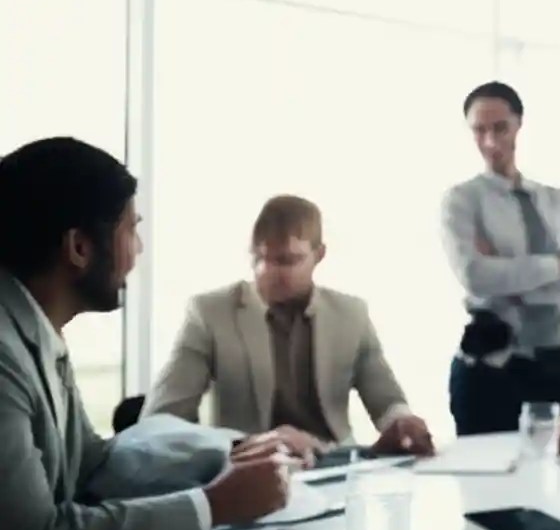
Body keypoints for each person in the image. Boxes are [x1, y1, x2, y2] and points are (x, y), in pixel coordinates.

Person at [0, 137, 292, 530]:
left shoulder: (32, 326)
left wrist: (226, 456)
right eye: (131, 229)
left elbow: (89, 466)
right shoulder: (3, 352)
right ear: (78, 247)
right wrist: (213, 504)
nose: (138, 250)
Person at [143, 195, 433, 460]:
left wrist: (402, 423)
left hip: (338, 467)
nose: (267, 272)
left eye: (287, 261)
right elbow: (161, 421)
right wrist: (255, 443)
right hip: (248, 468)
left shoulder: (351, 315)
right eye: (259, 258)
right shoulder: (210, 314)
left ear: (319, 255)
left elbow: (386, 400)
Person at [442, 81, 560, 434]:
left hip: (551, 359)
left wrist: (512, 281)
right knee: (489, 480)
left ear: (518, 124)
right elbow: (475, 276)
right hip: (489, 365)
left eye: (500, 128)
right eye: (479, 130)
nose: (490, 141)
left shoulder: (556, 201)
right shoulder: (462, 200)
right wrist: (555, 266)